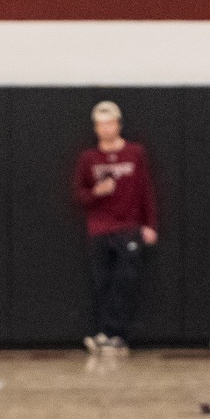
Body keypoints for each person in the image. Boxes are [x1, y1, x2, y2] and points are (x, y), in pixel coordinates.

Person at [74, 100, 158, 354]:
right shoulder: (89, 158)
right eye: (100, 124)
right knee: (102, 283)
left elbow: (147, 191)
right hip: (99, 229)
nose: (105, 129)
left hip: (128, 228)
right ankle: (103, 332)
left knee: (125, 282)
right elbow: (79, 194)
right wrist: (96, 192)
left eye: (109, 123)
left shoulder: (135, 153)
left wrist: (150, 224)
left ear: (118, 125)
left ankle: (116, 334)